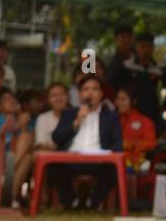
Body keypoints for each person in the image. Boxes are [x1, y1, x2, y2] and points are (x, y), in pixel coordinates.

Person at [49, 74, 122, 211]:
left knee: (113, 169)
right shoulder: (70, 114)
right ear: (80, 94)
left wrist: (108, 154)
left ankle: (92, 202)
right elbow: (56, 138)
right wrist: (76, 122)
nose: (90, 93)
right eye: (85, 89)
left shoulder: (110, 116)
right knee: (54, 166)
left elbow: (118, 144)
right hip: (72, 159)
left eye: (94, 89)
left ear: (101, 94)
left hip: (99, 161)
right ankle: (71, 202)